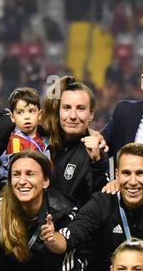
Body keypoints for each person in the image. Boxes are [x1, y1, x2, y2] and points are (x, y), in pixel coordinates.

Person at [39, 76, 109, 211]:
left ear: (91, 114)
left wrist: (97, 163)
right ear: (59, 111)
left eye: (80, 108)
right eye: (66, 108)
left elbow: (101, 205)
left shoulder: (96, 151)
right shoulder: (42, 140)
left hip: (71, 229)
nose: (72, 115)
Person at [0, 87, 48, 180]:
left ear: (40, 114)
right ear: (12, 117)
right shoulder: (16, 142)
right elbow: (16, 172)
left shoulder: (44, 138)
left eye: (31, 111)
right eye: (20, 112)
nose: (26, 117)